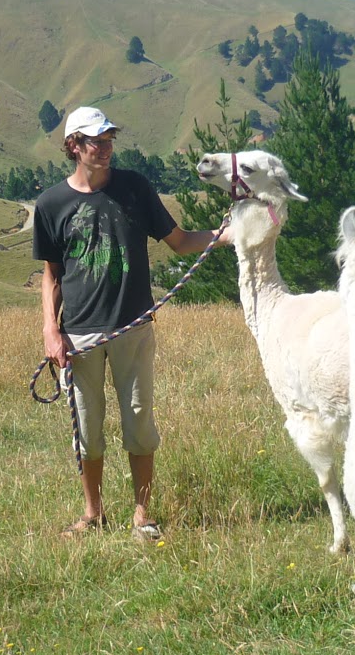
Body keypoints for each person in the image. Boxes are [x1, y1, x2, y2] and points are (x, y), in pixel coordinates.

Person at [32, 106, 228, 541]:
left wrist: (226, 235)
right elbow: (52, 274)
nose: (104, 149)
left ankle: (142, 514)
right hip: (79, 333)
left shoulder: (136, 188)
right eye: (94, 141)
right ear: (73, 147)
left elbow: (177, 242)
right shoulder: (50, 205)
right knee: (87, 429)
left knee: (139, 421)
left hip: (133, 327)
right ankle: (93, 513)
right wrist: (51, 330)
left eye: (108, 140)